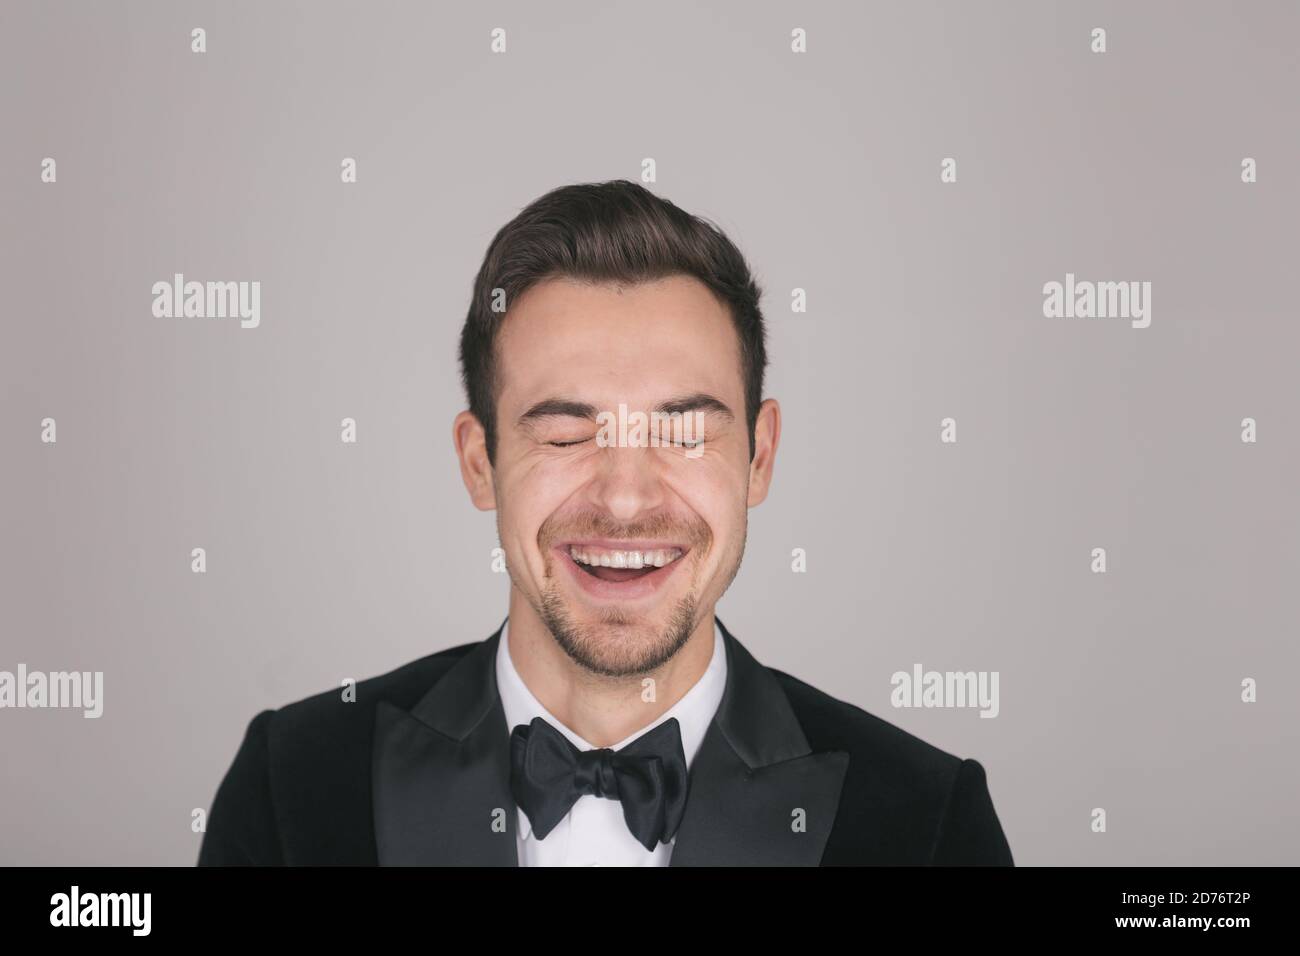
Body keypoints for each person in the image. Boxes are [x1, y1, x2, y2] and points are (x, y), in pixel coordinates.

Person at [198, 180, 1013, 866]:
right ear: (479, 461)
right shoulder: (293, 784)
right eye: (564, 432)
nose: (625, 499)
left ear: (759, 457)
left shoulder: (926, 825)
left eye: (684, 431)